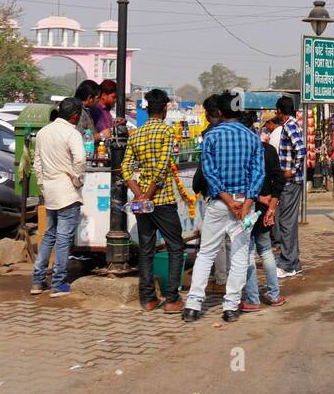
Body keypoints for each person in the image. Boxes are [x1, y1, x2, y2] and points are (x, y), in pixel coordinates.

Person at [182, 94, 265, 323]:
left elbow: (209, 173)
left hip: (219, 203)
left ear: (220, 111)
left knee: (206, 253)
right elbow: (258, 174)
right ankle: (230, 307)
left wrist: (229, 201)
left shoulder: (211, 136)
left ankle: (193, 305)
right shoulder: (252, 137)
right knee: (239, 256)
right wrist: (246, 204)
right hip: (244, 205)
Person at [121, 88, 192, 313]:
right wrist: (148, 196)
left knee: (147, 249)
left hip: (143, 202)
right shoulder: (166, 132)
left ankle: (148, 298)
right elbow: (162, 169)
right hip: (162, 200)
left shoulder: (137, 134)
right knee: (175, 246)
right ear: (164, 109)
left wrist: (139, 194)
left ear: (146, 108)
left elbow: (125, 168)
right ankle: (171, 298)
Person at [31, 97, 87, 296]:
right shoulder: (72, 133)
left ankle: (37, 280)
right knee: (63, 239)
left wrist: (42, 184)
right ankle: (58, 282)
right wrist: (77, 178)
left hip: (50, 190)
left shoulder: (43, 132)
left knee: (49, 235)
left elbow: (37, 163)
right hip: (67, 192)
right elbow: (80, 159)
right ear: (75, 116)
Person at [242, 113, 285, 311]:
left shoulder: (240, 153)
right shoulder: (267, 150)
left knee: (249, 253)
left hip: (244, 209)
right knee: (266, 250)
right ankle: (274, 295)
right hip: (263, 207)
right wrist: (271, 205)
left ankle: (252, 299)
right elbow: (279, 178)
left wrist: (263, 201)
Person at [273, 95, 306, 278]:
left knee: (286, 223)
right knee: (289, 223)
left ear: (280, 111)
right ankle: (293, 261)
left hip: (290, 182)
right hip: (292, 182)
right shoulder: (293, 124)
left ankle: (288, 264)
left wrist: (292, 170)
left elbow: (300, 150)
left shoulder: (289, 126)